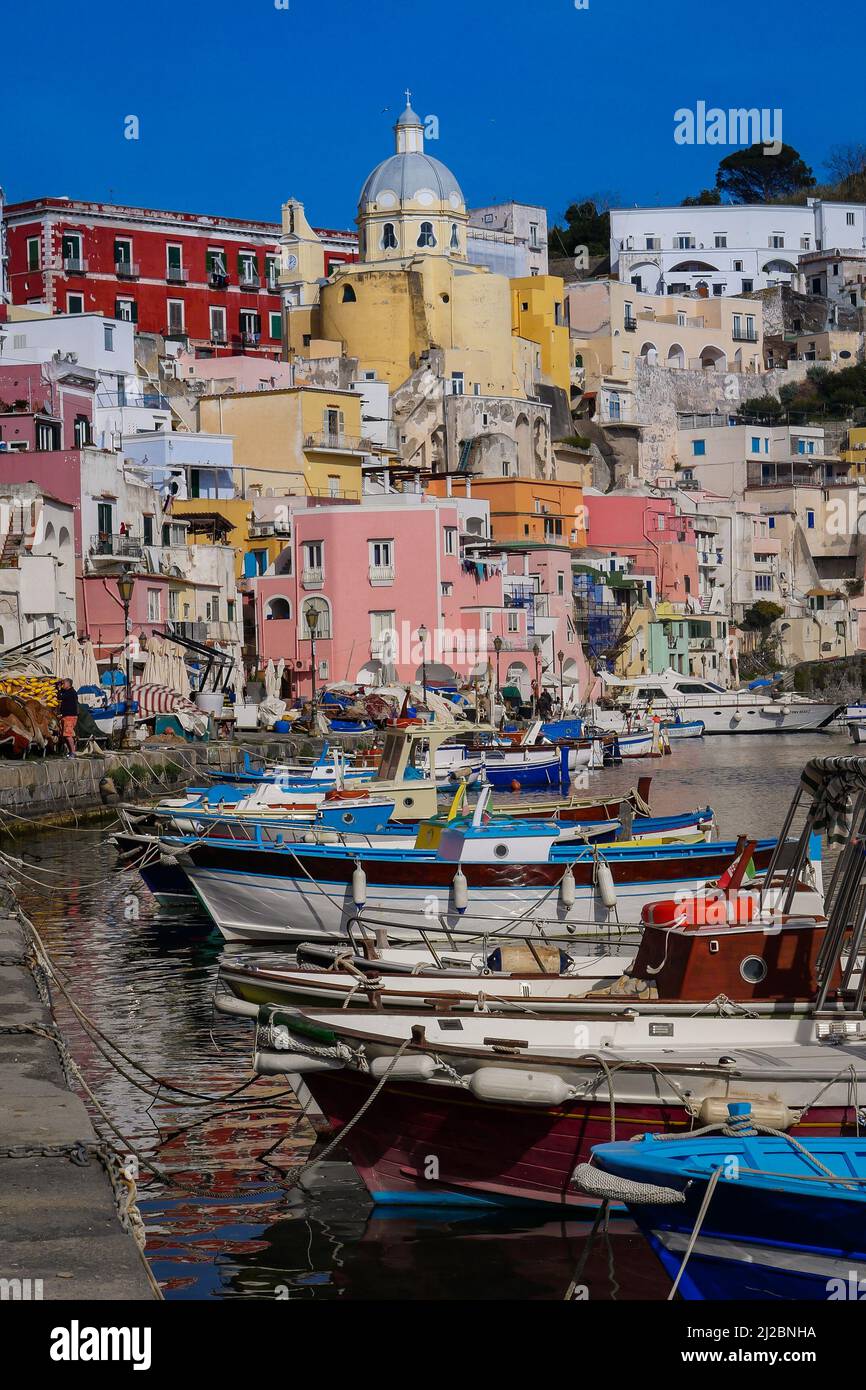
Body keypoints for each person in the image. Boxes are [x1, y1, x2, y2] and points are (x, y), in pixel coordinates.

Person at [58, 678, 79, 757]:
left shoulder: (71, 693)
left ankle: (73, 752)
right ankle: (70, 752)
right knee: (65, 735)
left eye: (64, 683)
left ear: (69, 684)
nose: (63, 685)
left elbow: (60, 697)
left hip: (70, 717)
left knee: (68, 735)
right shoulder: (68, 691)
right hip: (66, 716)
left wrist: (59, 689)